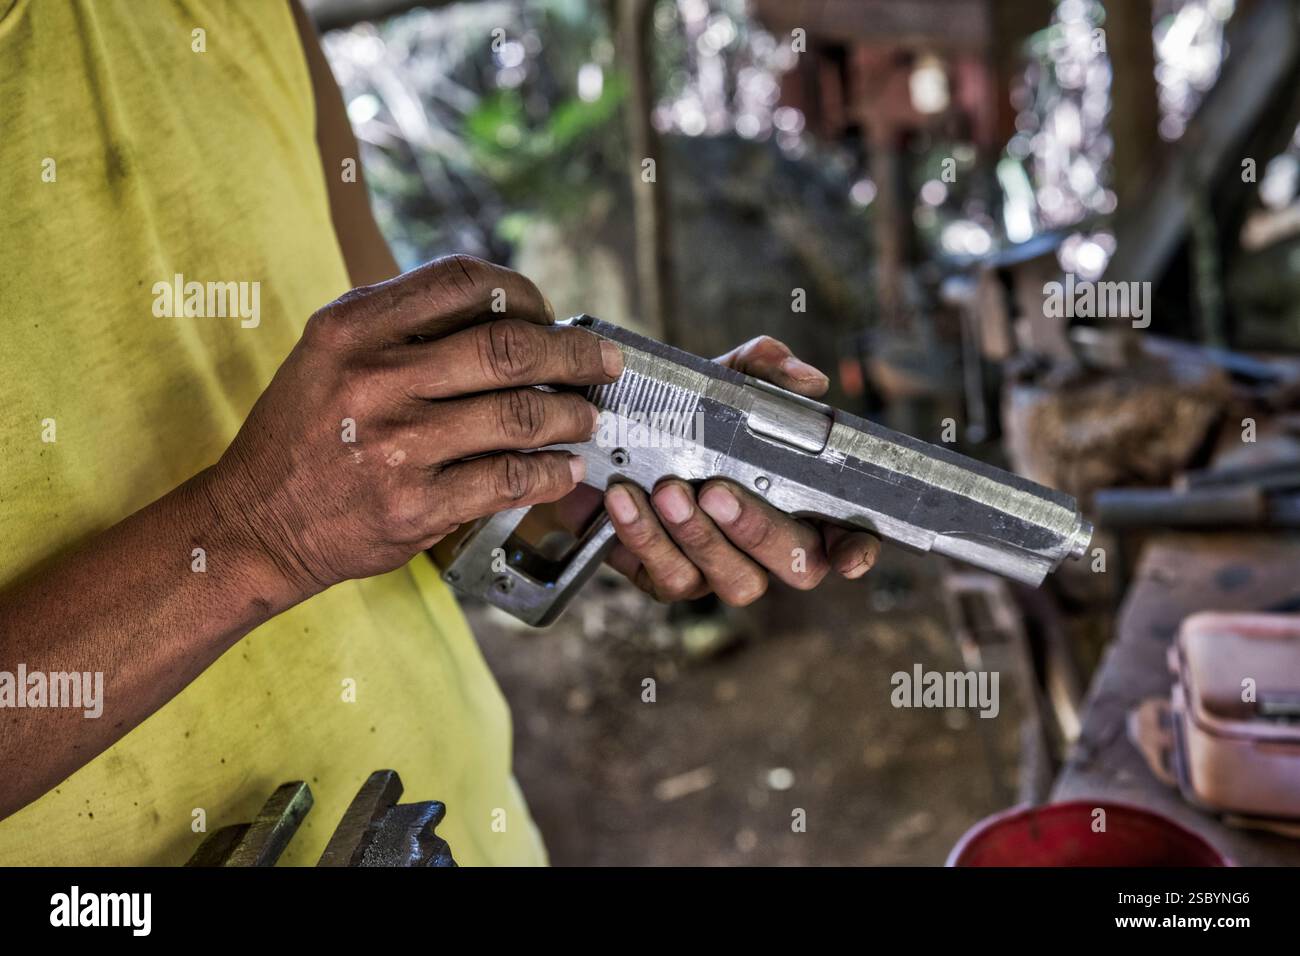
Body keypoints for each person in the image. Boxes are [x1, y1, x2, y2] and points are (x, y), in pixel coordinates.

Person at [0, 0, 878, 865]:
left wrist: (606, 479)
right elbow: (304, 502)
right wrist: (258, 535)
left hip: (454, 817)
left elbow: (401, 452)